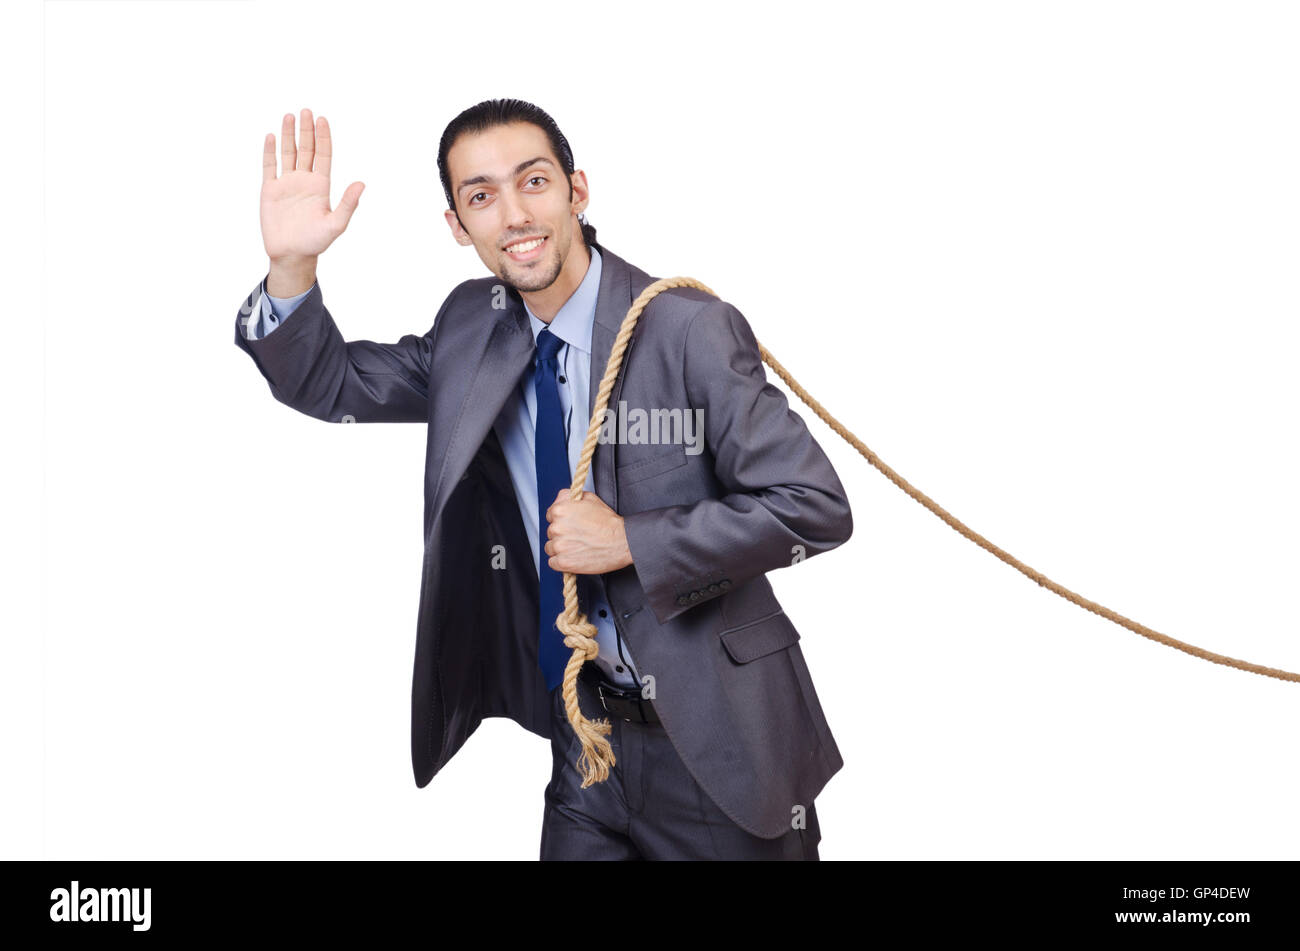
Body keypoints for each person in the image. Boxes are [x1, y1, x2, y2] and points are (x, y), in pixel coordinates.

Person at [233, 98, 854, 860]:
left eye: (534, 182)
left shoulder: (687, 327)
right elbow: (334, 386)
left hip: (719, 747)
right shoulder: (472, 325)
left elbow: (813, 506)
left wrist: (632, 540)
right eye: (482, 196)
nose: (515, 214)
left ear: (577, 190)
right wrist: (292, 269)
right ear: (459, 224)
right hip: (584, 743)